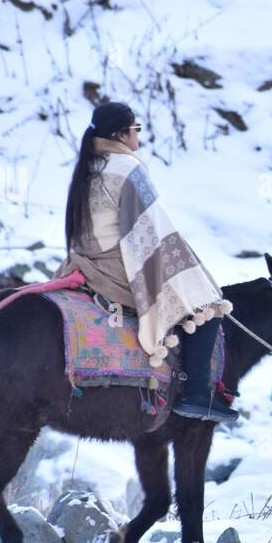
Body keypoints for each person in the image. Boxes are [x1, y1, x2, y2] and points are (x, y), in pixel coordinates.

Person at [57, 101, 239, 422]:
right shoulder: (128, 168)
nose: (138, 135)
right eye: (136, 129)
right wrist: (189, 272)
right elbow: (153, 231)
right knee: (205, 303)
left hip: (83, 262)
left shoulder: (89, 166)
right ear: (121, 133)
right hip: (114, 267)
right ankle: (195, 393)